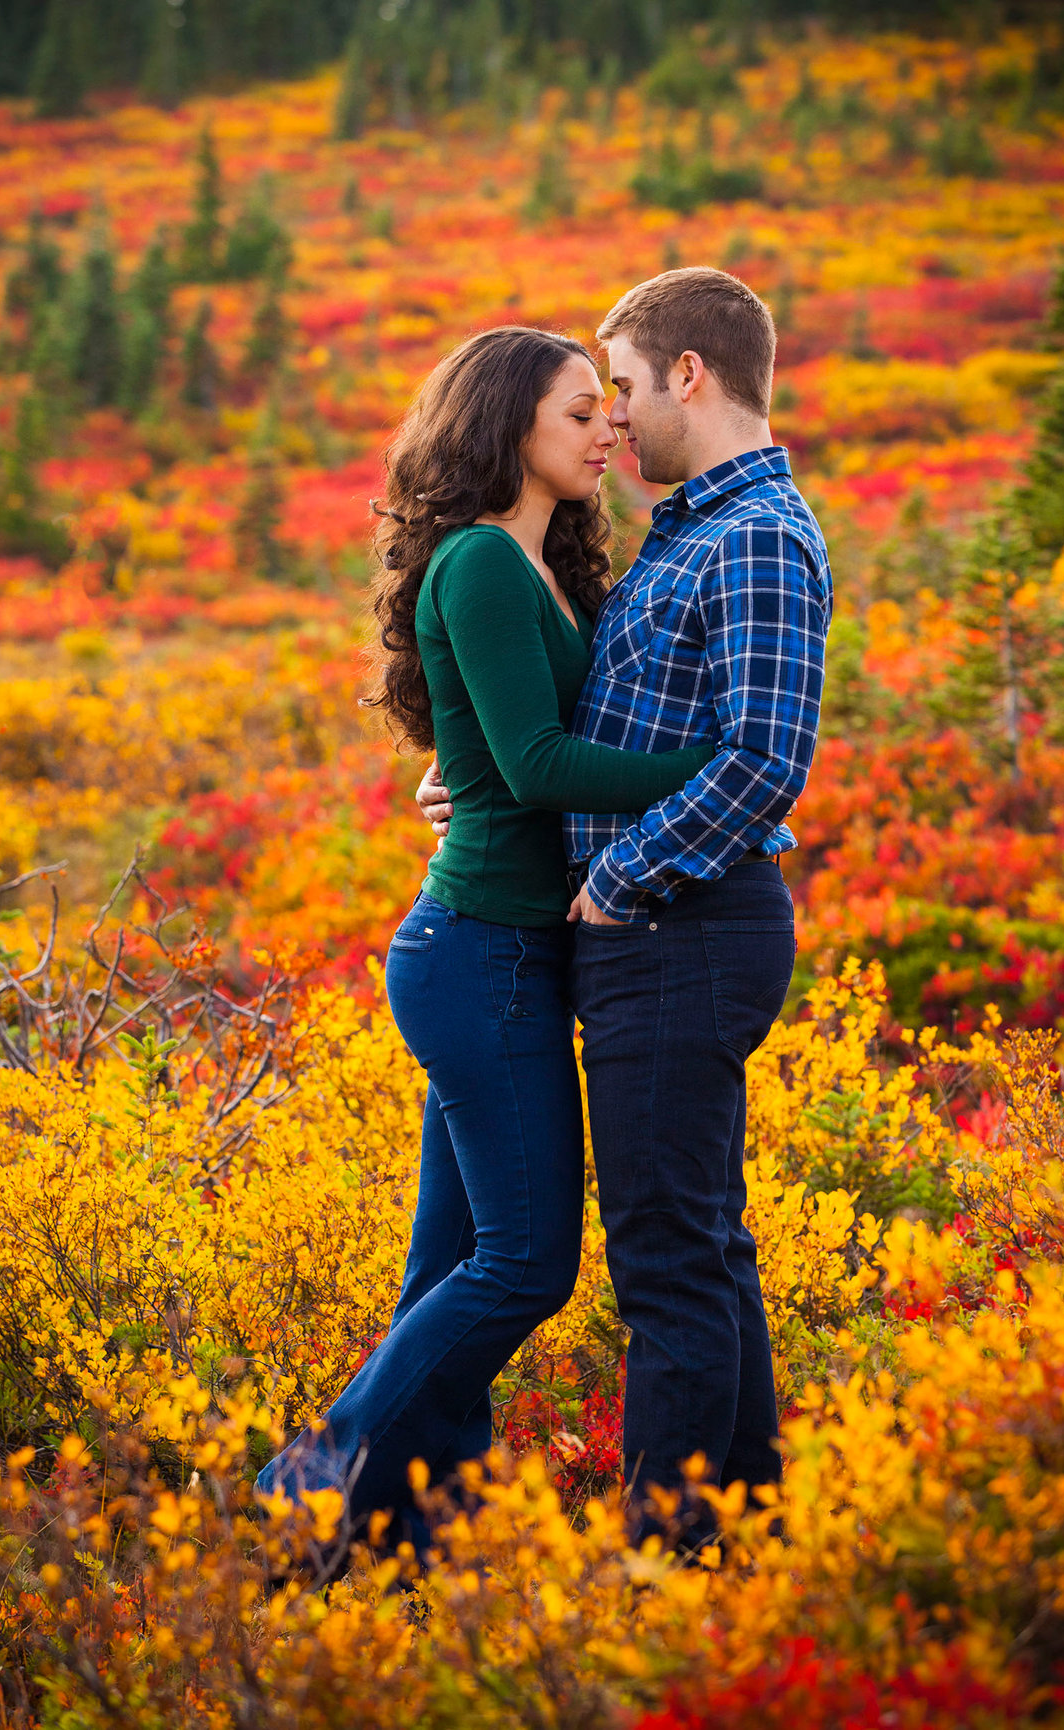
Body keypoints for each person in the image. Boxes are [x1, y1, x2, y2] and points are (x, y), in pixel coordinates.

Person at [256, 324, 715, 1538]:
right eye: (579, 411)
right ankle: (292, 1496)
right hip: (483, 956)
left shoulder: (546, 565)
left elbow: (497, 754)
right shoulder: (480, 563)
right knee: (525, 1264)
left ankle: (409, 1533)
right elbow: (539, 759)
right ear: (506, 423)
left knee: (444, 1274)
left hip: (506, 954)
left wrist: (478, 773)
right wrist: (728, 765)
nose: (608, 426)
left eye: (607, 408)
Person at [418, 266, 833, 1544]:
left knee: (664, 1261)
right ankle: (746, 1535)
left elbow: (764, 758)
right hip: (650, 934)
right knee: (705, 1245)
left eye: (628, 389)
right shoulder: (690, 529)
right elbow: (598, 718)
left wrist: (615, 875)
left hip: (681, 933)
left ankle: (666, 1566)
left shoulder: (757, 533)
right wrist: (479, 777)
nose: (616, 420)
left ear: (689, 378)